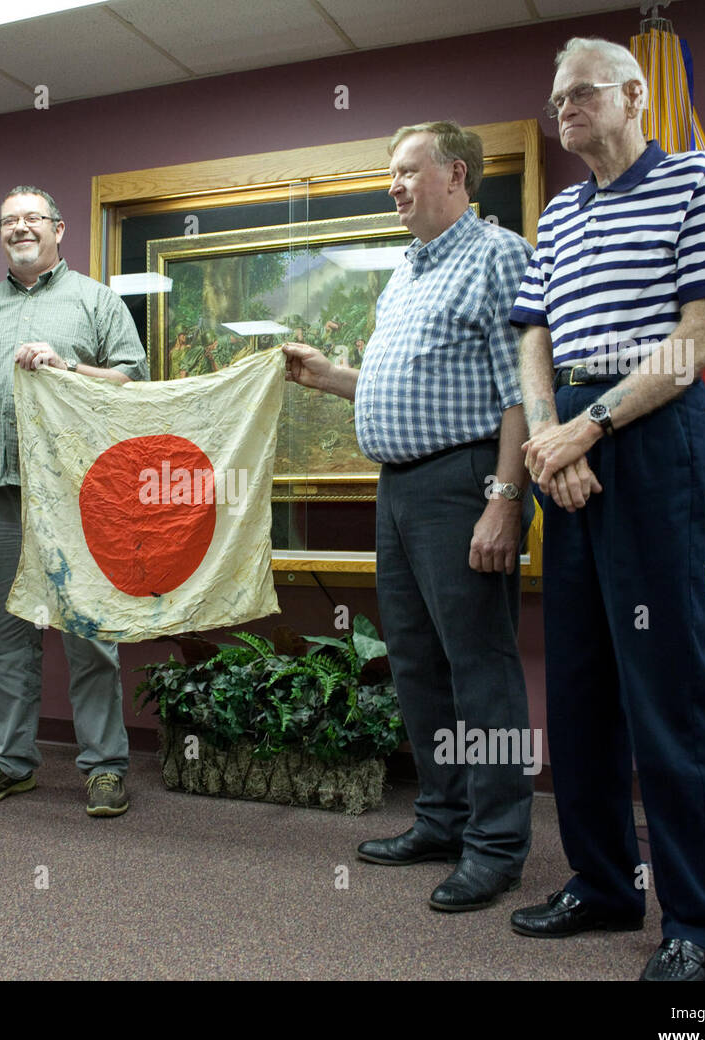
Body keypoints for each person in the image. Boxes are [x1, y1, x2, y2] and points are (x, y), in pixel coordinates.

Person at [508, 37, 705, 981]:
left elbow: (703, 334)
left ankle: (697, 921)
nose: (563, 108)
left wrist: (588, 428)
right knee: (579, 684)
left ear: (635, 93)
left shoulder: (697, 179)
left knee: (665, 687)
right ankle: (604, 883)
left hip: (649, 434)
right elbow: (532, 334)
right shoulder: (558, 213)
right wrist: (546, 437)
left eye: (580, 93)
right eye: (556, 98)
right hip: (567, 432)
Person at [284, 122, 535, 912]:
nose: (392, 184)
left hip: (463, 484)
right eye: (388, 173)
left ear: (456, 173)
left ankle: (496, 844)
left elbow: (520, 390)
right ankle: (442, 818)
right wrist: (332, 377)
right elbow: (409, 386)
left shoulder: (496, 255)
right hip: (398, 490)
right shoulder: (406, 272)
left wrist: (504, 499)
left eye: (406, 170)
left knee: (480, 666)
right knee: (419, 666)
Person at [0, 185, 148, 817]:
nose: (20, 228)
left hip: (80, 496)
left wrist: (68, 370)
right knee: (2, 634)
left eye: (32, 218)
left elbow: (132, 383)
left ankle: (105, 766)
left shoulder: (96, 302)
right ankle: (8, 759)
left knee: (88, 631)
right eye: (9, 220)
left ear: (59, 229)